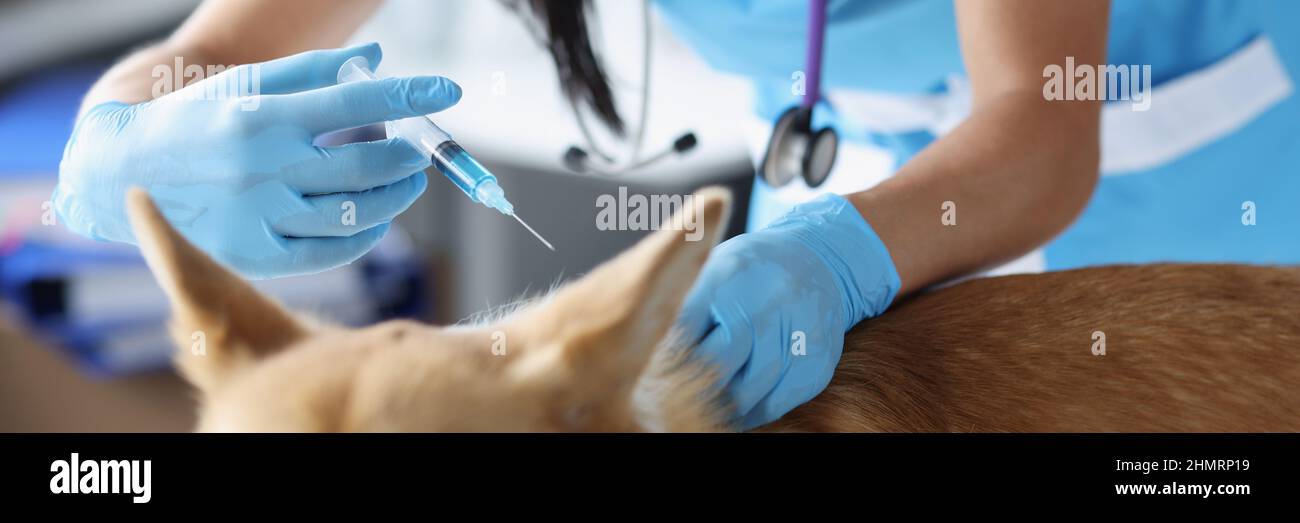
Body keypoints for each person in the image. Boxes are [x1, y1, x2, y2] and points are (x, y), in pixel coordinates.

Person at [55, 0, 1300, 429]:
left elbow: (1037, 122)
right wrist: (116, 153)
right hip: (844, 164)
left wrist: (839, 255)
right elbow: (212, 45)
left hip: (1189, 164)